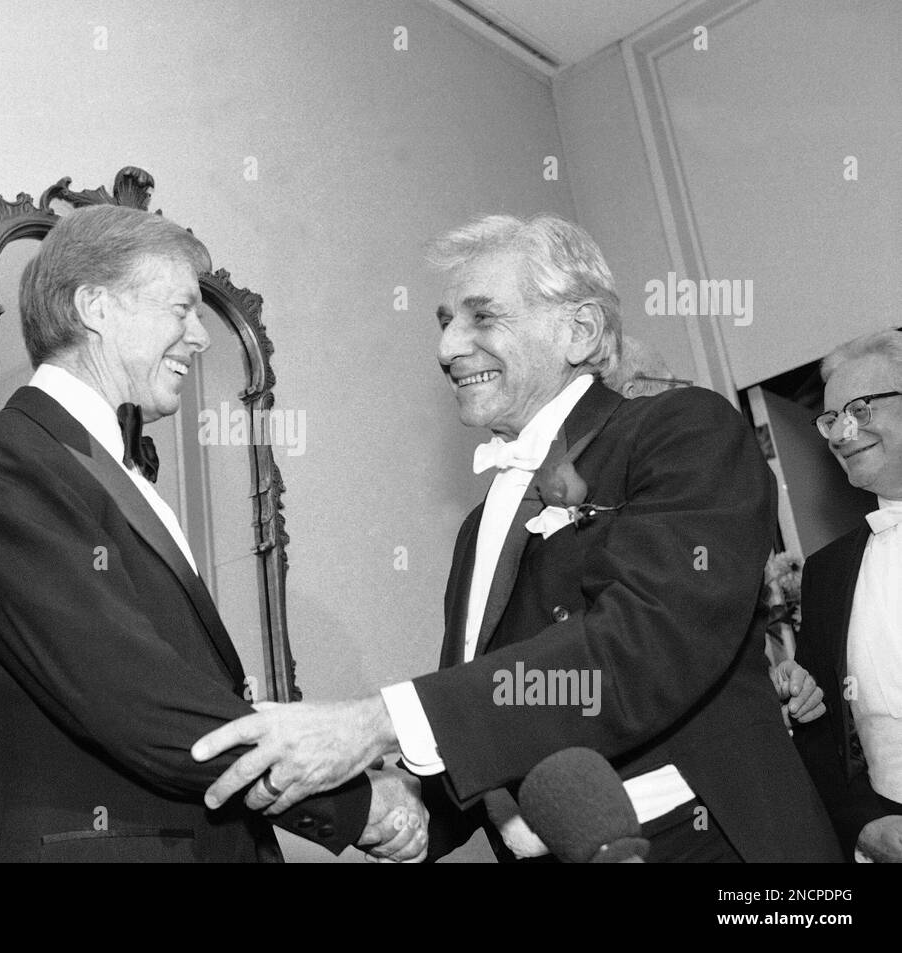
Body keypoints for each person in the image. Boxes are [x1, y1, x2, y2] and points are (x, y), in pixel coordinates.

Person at [193, 214, 842, 862]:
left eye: (482, 317)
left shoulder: (684, 430)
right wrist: (383, 809)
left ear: (579, 330)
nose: (447, 348)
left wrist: (376, 721)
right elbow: (495, 725)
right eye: (445, 321)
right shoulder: (480, 528)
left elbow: (636, 652)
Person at [0, 204, 424, 862]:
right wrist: (348, 802)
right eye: (180, 308)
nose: (201, 335)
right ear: (95, 306)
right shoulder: (4, 458)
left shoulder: (104, 467)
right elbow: (128, 692)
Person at [793, 328, 902, 863]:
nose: (841, 433)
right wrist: (863, 824)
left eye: (859, 408)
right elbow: (819, 728)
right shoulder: (827, 574)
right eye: (830, 418)